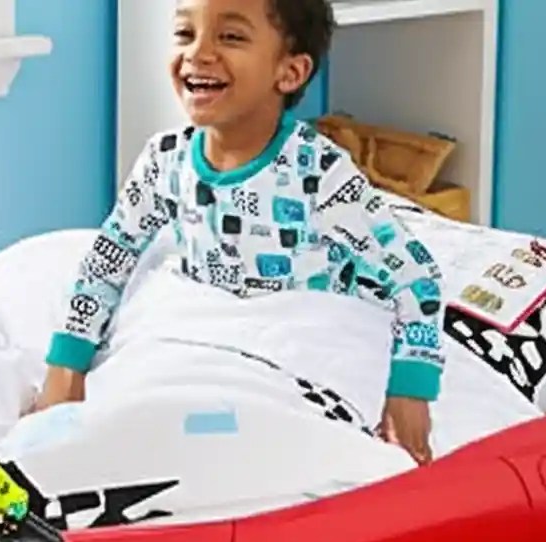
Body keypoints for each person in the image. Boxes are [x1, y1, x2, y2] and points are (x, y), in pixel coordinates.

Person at [29, 0, 446, 465]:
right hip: (204, 333)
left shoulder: (318, 172)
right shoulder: (166, 159)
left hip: (300, 339)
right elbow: (111, 256)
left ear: (289, 73)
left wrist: (410, 391)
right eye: (186, 35)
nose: (198, 54)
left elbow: (418, 278)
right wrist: (66, 366)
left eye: (230, 37)